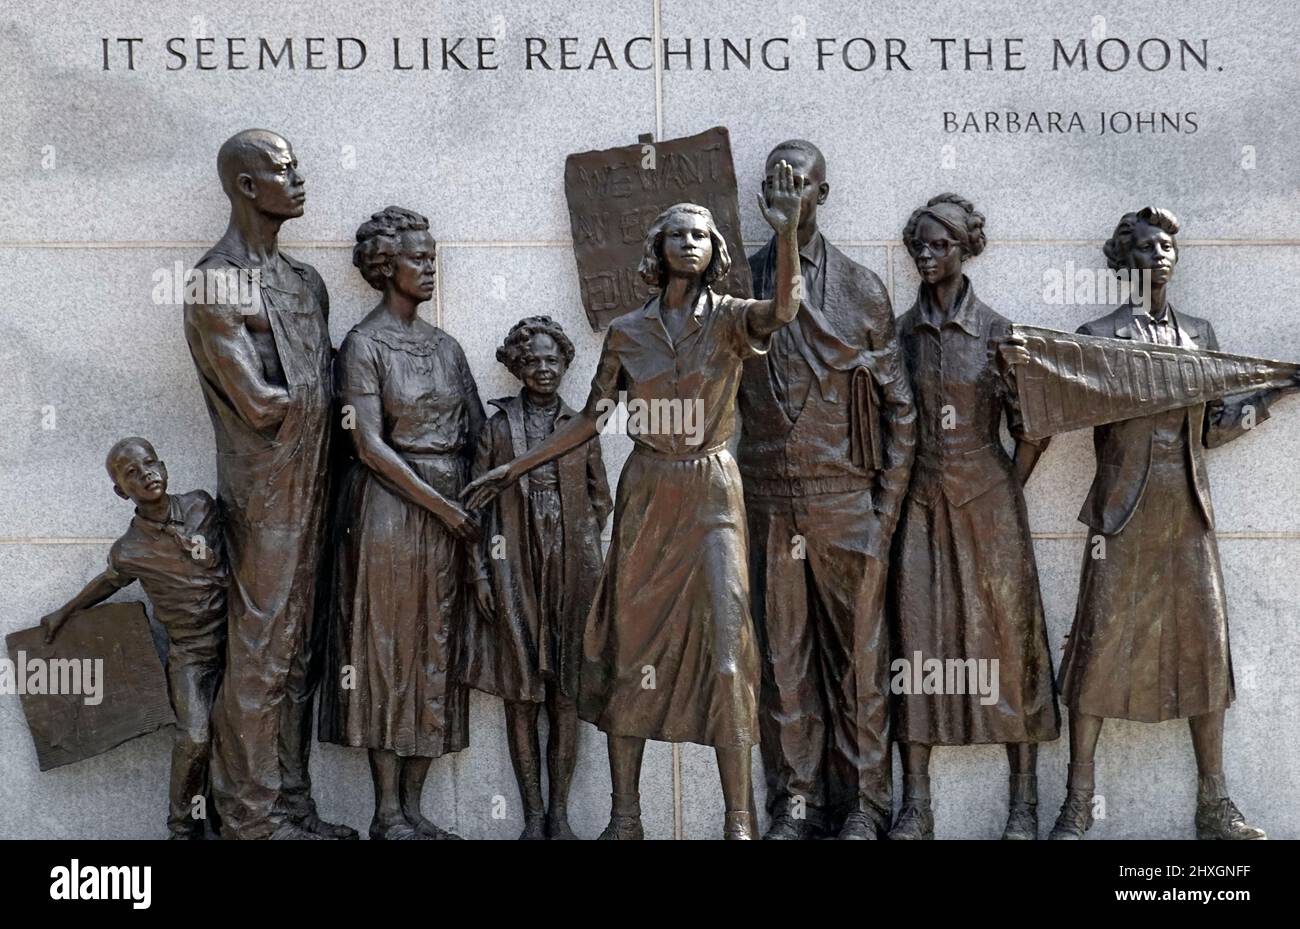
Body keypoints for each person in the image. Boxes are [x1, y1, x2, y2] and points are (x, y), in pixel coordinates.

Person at [464, 165, 806, 840]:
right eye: (677, 234)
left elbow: (784, 311)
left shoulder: (732, 319)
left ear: (715, 251)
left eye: (700, 235)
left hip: (711, 493)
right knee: (630, 651)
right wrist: (513, 467)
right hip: (647, 492)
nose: (689, 243)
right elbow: (592, 419)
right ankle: (626, 818)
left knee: (728, 653)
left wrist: (788, 232)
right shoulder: (626, 331)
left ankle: (739, 821)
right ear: (658, 249)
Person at [1028, 207, 1290, 840]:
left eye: (1168, 246)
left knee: (1206, 651)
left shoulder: (1200, 335)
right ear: (1125, 261)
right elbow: (1057, 406)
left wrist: (1276, 391)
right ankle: (1076, 803)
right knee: (1097, 649)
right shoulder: (1098, 338)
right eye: (1147, 247)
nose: (1160, 256)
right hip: (1122, 517)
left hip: (1187, 515)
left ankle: (1214, 804)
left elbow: (1214, 429)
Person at [737, 139, 916, 840]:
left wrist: (885, 515)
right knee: (782, 663)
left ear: (823, 193)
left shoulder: (862, 288)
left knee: (860, 664)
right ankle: (796, 806)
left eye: (800, 182)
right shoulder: (738, 284)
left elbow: (901, 410)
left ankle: (865, 807)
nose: (786, 192)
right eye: (775, 182)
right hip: (768, 500)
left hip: (847, 502)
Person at [183, 129, 354, 840]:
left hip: (318, 480)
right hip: (262, 492)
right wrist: (341, 398)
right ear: (248, 186)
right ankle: (248, 817)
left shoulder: (306, 282)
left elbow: (321, 382)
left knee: (302, 650)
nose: (299, 179)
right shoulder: (215, 281)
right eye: (285, 169)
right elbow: (256, 403)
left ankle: (292, 804)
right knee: (259, 650)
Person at [888, 194, 1060, 841]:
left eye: (940, 246)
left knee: (1009, 643)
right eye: (920, 246)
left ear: (965, 250)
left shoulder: (997, 331)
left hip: (988, 508)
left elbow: (1033, 426)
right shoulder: (899, 334)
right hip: (918, 506)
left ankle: (1023, 804)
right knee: (915, 643)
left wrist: (1002, 492)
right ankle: (916, 805)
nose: (927, 256)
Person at [318, 206, 484, 841]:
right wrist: (444, 509)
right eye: (419, 259)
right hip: (388, 510)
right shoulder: (363, 345)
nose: (430, 268)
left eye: (433, 258)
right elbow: (367, 444)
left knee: (435, 645)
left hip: (451, 508)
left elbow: (478, 430)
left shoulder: (448, 348)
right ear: (386, 268)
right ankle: (386, 812)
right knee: (384, 649)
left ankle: (416, 809)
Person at [460, 315, 612, 840]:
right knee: (521, 694)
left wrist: (579, 550)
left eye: (552, 359)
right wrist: (480, 574)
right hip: (513, 569)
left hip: (570, 570)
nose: (543, 368)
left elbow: (600, 498)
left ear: (565, 364)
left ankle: (560, 815)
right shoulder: (498, 427)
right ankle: (530, 816)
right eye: (532, 361)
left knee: (566, 694)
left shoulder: (580, 425)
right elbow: (474, 507)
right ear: (518, 367)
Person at [41, 437, 227, 840]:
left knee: (237, 737)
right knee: (195, 737)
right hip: (191, 655)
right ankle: (182, 828)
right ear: (120, 491)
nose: (146, 474)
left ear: (163, 465)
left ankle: (227, 821)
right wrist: (63, 613)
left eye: (150, 463)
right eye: (131, 473)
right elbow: (107, 583)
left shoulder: (202, 506)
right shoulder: (129, 550)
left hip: (237, 642)